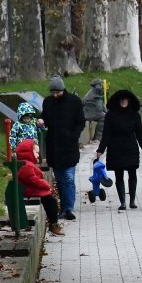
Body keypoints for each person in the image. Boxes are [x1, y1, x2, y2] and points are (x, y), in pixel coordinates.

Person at [37, 75, 85, 221]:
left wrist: (73, 136)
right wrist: (41, 121)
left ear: (63, 89)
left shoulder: (74, 101)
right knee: (60, 180)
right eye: (53, 93)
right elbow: (45, 118)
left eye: (58, 92)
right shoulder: (48, 102)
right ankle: (63, 207)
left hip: (69, 146)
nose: (55, 95)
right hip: (54, 146)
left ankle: (69, 208)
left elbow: (80, 122)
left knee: (69, 179)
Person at [95, 89, 142, 211]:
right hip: (115, 148)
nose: (123, 102)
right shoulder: (110, 115)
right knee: (118, 175)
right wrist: (101, 149)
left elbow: (140, 134)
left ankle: (132, 200)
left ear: (129, 101)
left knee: (132, 173)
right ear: (117, 101)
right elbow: (106, 134)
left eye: (125, 100)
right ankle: (122, 202)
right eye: (121, 100)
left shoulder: (135, 115)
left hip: (130, 147)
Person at [15, 139, 64, 236]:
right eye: (36, 152)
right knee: (51, 201)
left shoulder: (26, 163)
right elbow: (33, 180)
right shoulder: (26, 165)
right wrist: (47, 185)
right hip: (28, 190)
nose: (38, 155)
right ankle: (53, 224)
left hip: (29, 189)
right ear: (28, 152)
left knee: (51, 200)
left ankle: (53, 224)